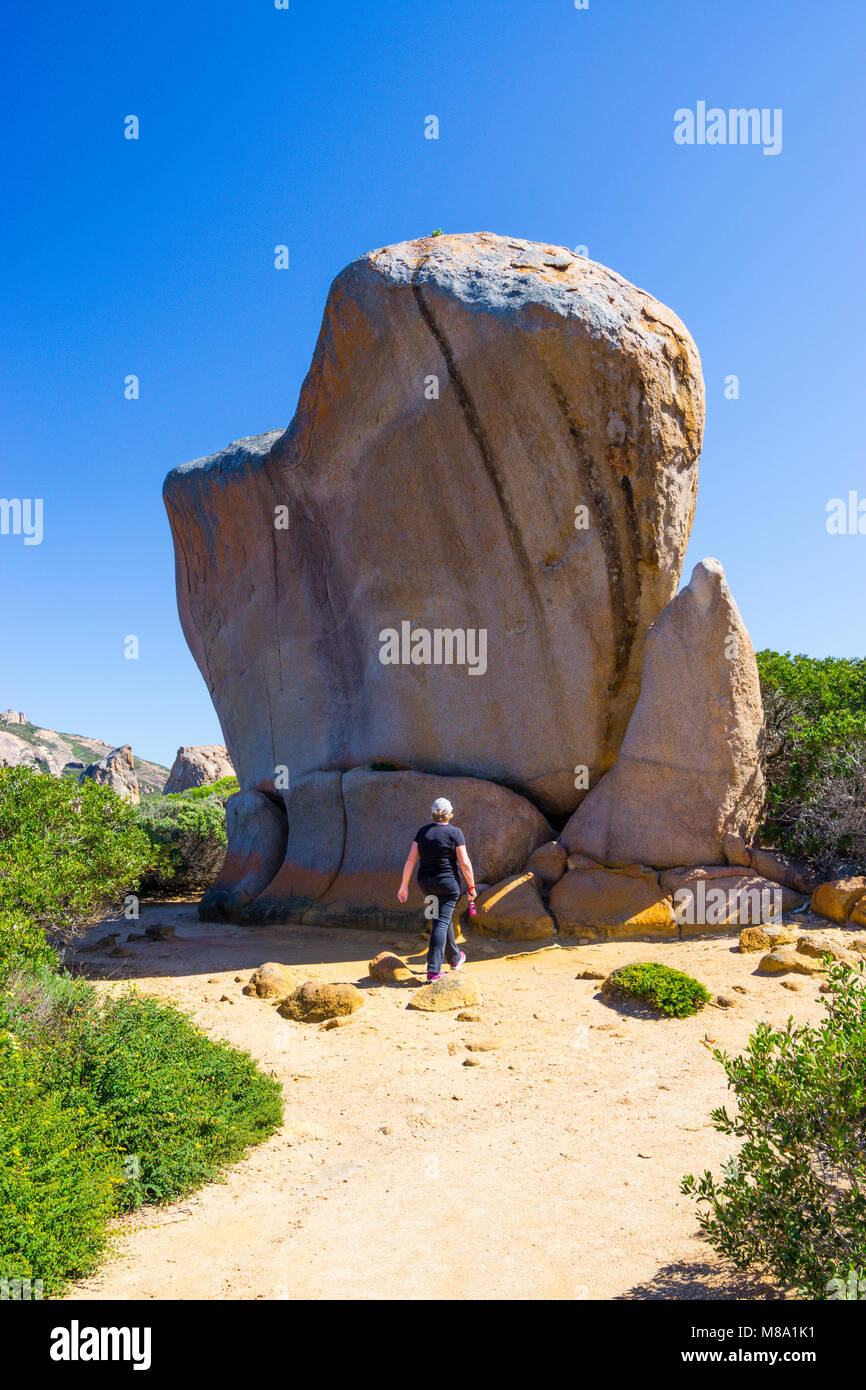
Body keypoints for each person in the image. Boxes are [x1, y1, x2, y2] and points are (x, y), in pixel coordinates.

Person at [397, 796, 477, 982]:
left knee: (440, 919)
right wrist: (472, 886)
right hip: (448, 886)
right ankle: (433, 970)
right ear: (449, 814)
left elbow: (410, 860)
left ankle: (455, 958)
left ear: (433, 813)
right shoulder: (455, 832)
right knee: (440, 923)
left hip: (426, 884)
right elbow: (464, 863)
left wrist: (404, 885)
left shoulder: (422, 832)